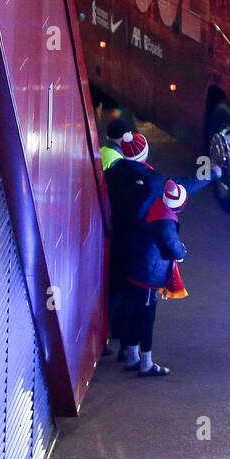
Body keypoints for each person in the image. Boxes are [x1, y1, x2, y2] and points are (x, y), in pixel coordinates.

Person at [119, 174, 217, 375]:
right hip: (148, 275)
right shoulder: (166, 222)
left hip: (135, 267)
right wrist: (182, 251)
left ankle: (132, 356)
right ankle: (145, 363)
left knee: (134, 314)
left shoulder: (153, 206)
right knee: (146, 318)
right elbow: (174, 248)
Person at [104, 131, 156, 356]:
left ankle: (111, 335)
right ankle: (129, 348)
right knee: (136, 300)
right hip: (136, 247)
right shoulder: (150, 180)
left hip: (114, 240)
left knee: (115, 290)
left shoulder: (111, 173)